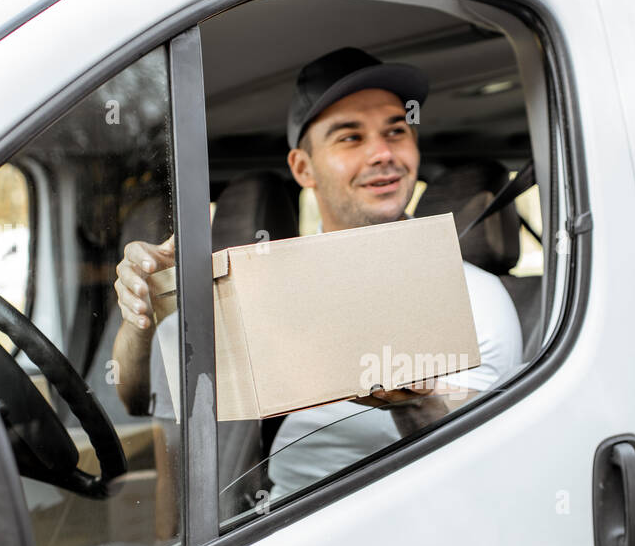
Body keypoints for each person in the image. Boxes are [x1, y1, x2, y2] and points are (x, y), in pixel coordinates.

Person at [110, 47, 522, 505]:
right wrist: (144, 311)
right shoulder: (263, 290)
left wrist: (417, 404)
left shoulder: (471, 296)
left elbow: (476, 475)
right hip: (261, 528)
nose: (383, 153)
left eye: (396, 131)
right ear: (302, 167)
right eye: (351, 137)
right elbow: (136, 397)